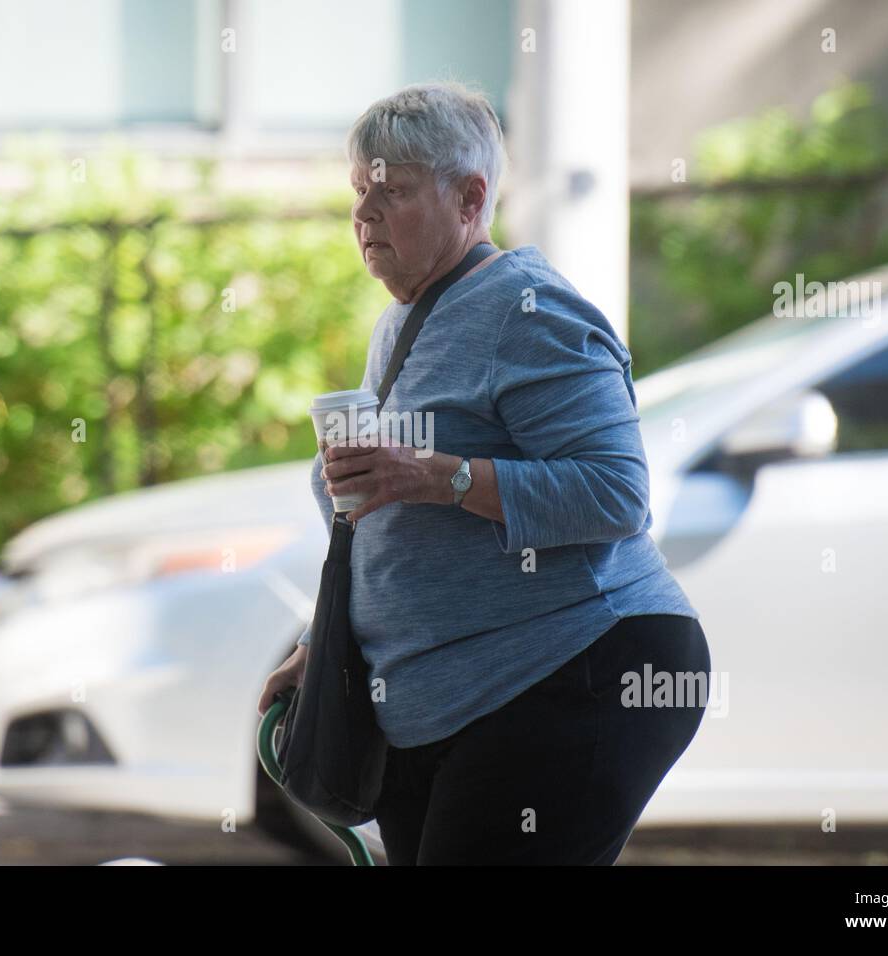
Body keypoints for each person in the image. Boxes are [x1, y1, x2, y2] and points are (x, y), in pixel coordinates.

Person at [258, 80, 711, 865]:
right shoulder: (403, 320)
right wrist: (324, 641)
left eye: (392, 192)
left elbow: (617, 493)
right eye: (359, 191)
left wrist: (440, 476)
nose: (364, 214)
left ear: (471, 199)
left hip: (573, 669)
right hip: (443, 702)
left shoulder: (528, 309)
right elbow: (392, 525)